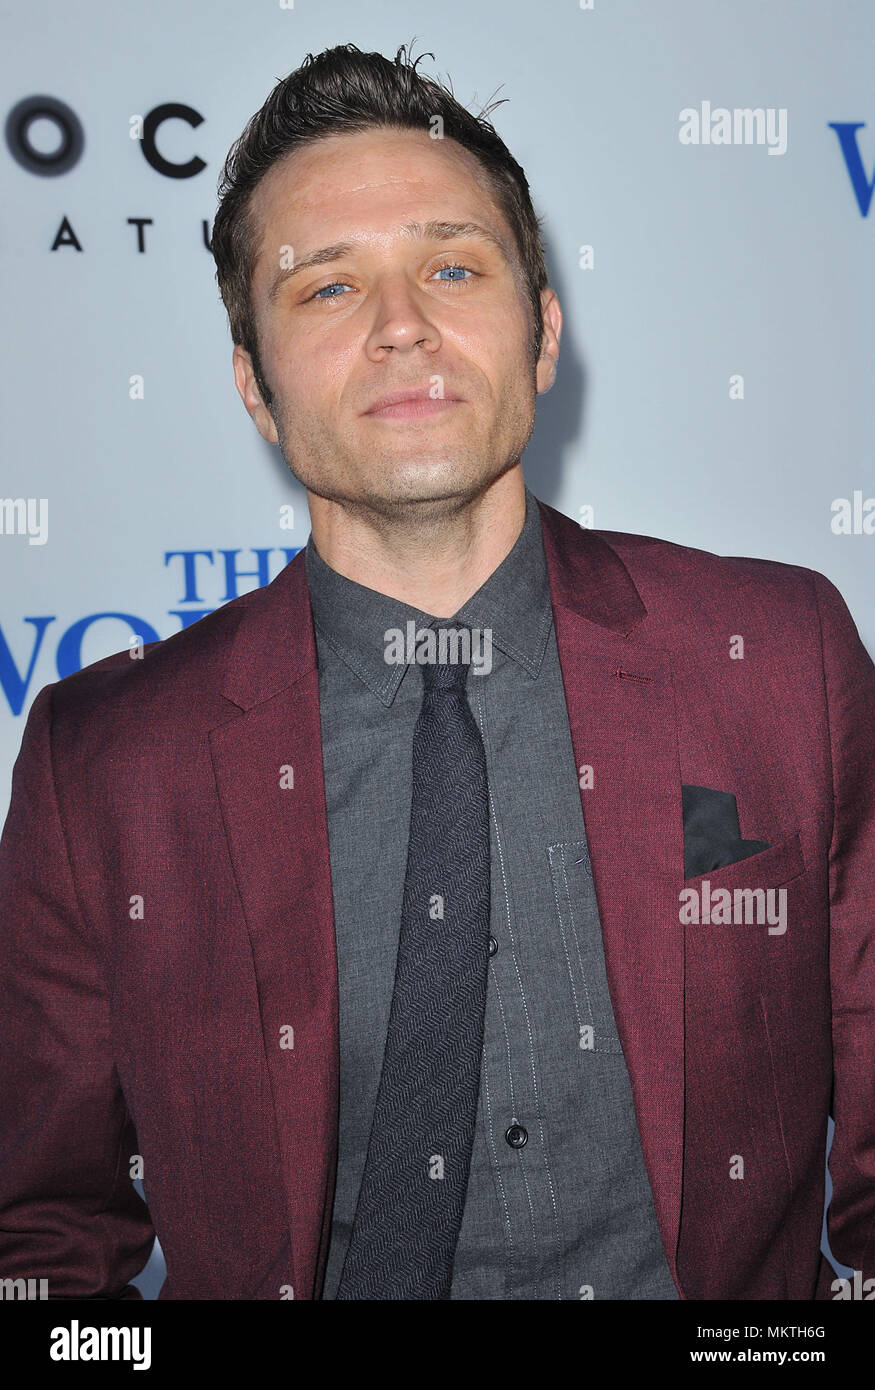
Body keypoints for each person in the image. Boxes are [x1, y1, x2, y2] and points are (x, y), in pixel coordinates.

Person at [1, 41, 872, 1302]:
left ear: (543, 334)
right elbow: (42, 1246)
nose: (401, 325)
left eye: (451, 266)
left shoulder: (777, 660)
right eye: (326, 289)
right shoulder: (106, 764)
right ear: (253, 387)